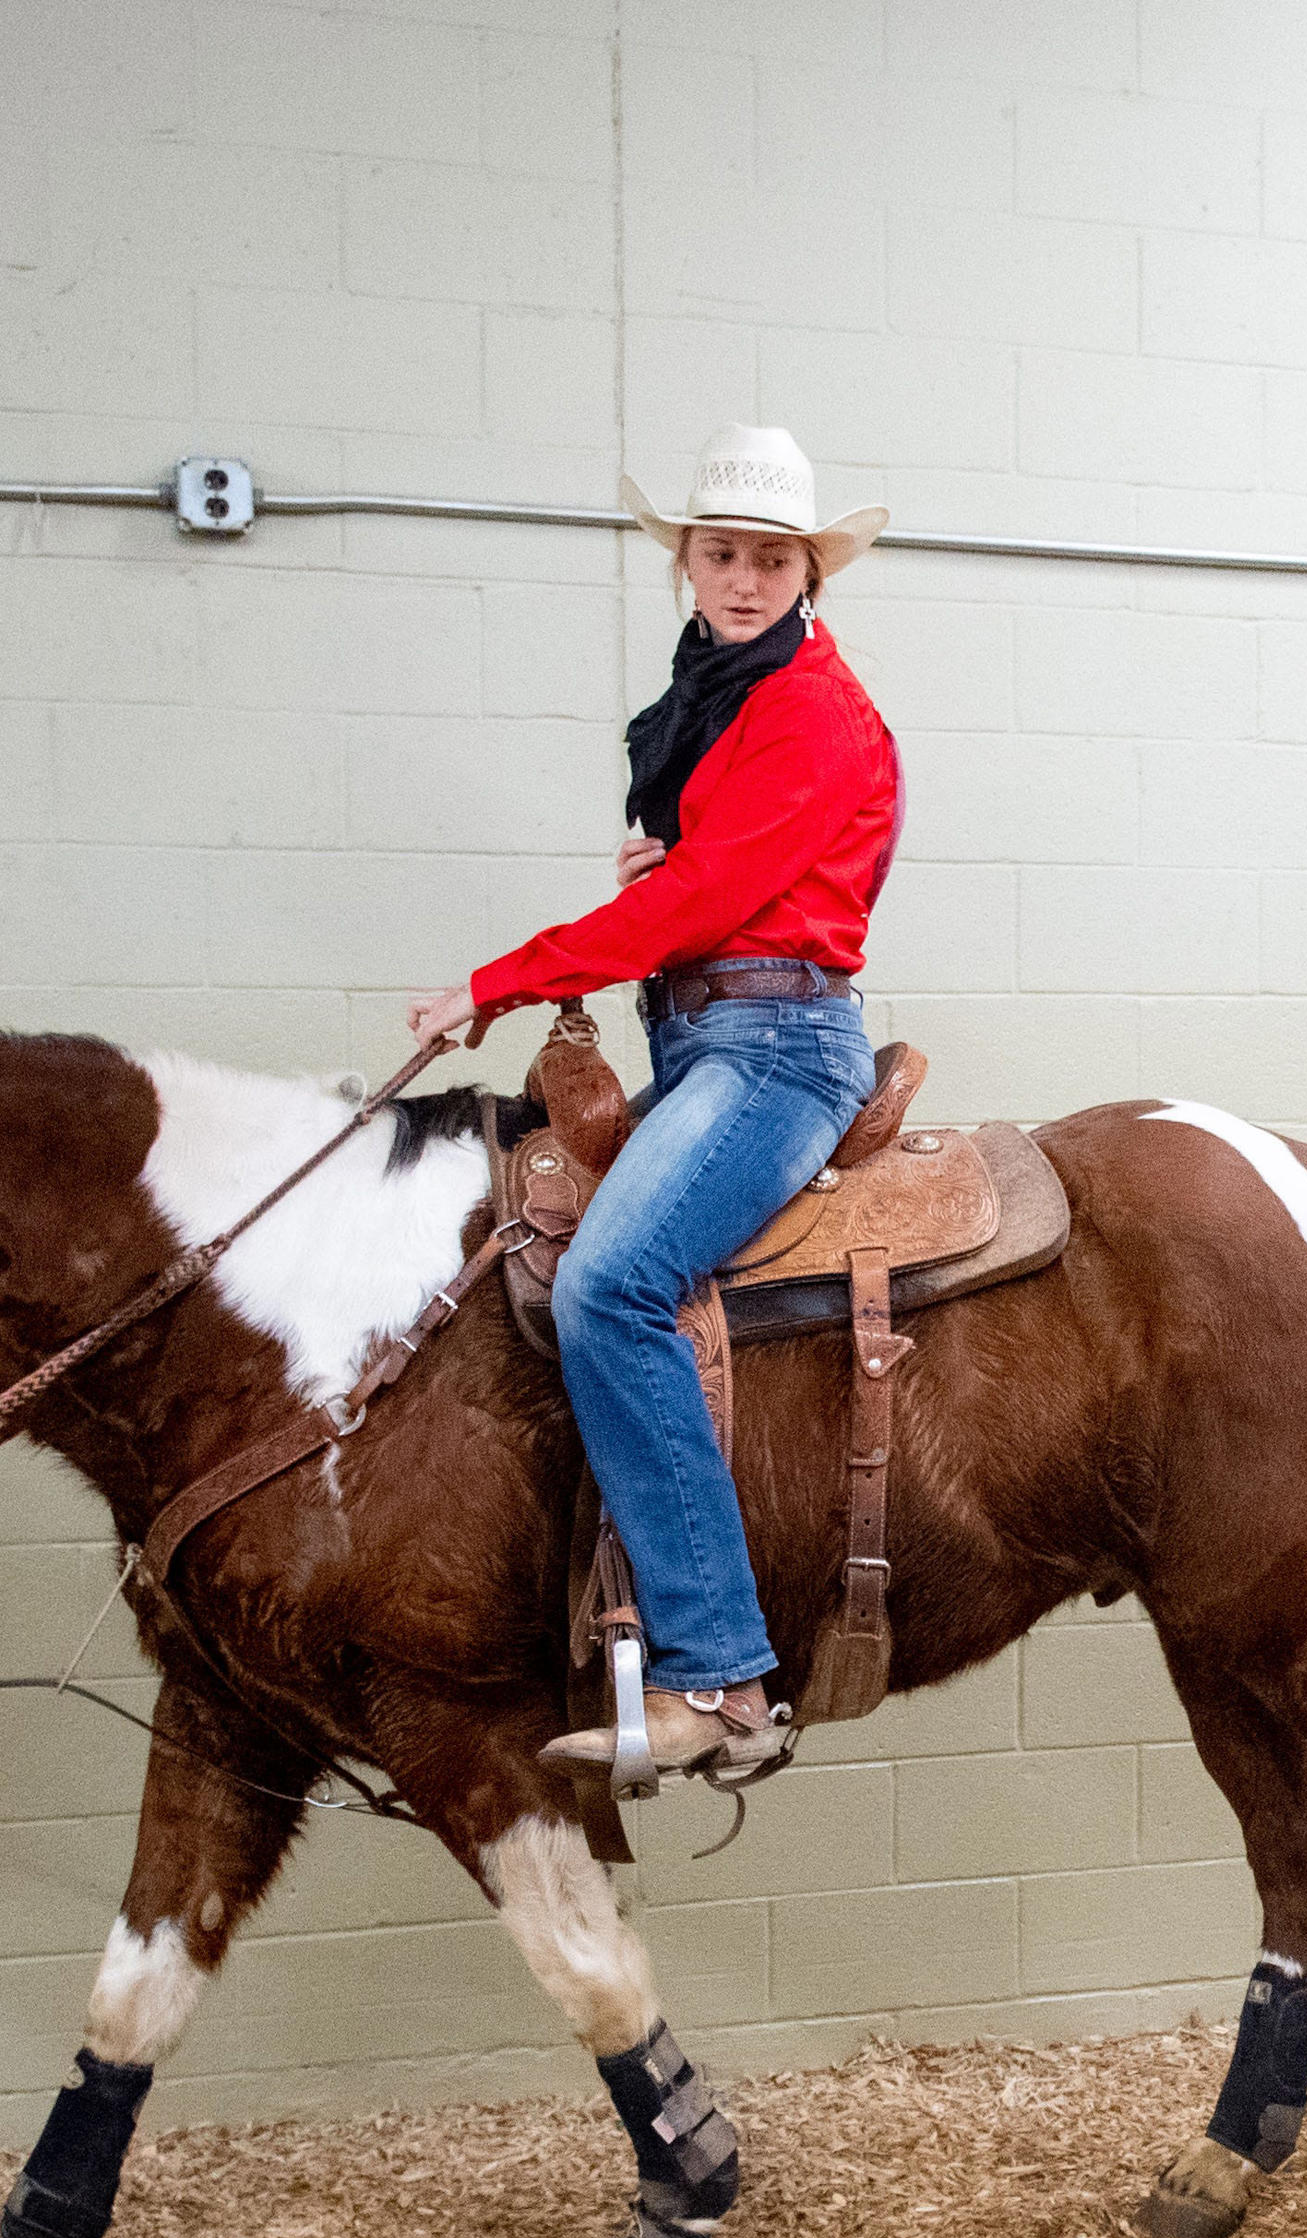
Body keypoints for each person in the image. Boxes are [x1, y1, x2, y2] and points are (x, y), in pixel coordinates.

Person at [408, 425, 902, 1778]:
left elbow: (708, 903)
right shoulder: (732, 695)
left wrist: (499, 983)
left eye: (771, 559)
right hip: (705, 1036)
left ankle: (721, 1676)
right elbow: (715, 880)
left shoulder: (806, 708)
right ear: (687, 560)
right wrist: (674, 864)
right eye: (723, 553)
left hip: (774, 1051)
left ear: (812, 571)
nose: (745, 578)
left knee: (611, 1285)